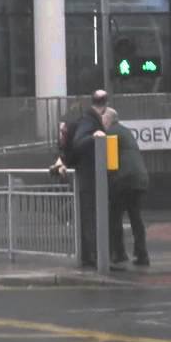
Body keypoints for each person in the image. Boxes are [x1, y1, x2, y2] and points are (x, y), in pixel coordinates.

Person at [62, 90, 109, 267]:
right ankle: (92, 256)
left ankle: (89, 256)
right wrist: (94, 138)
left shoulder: (87, 118)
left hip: (87, 176)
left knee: (87, 216)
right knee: (90, 217)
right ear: (105, 106)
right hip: (89, 177)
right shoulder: (90, 121)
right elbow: (80, 142)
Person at [103, 108, 149, 267]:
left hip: (124, 180)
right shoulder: (126, 131)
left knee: (114, 217)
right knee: (136, 217)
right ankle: (142, 254)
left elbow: (111, 163)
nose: (102, 120)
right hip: (139, 178)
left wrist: (105, 179)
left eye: (103, 117)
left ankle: (119, 254)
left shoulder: (111, 134)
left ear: (108, 119)